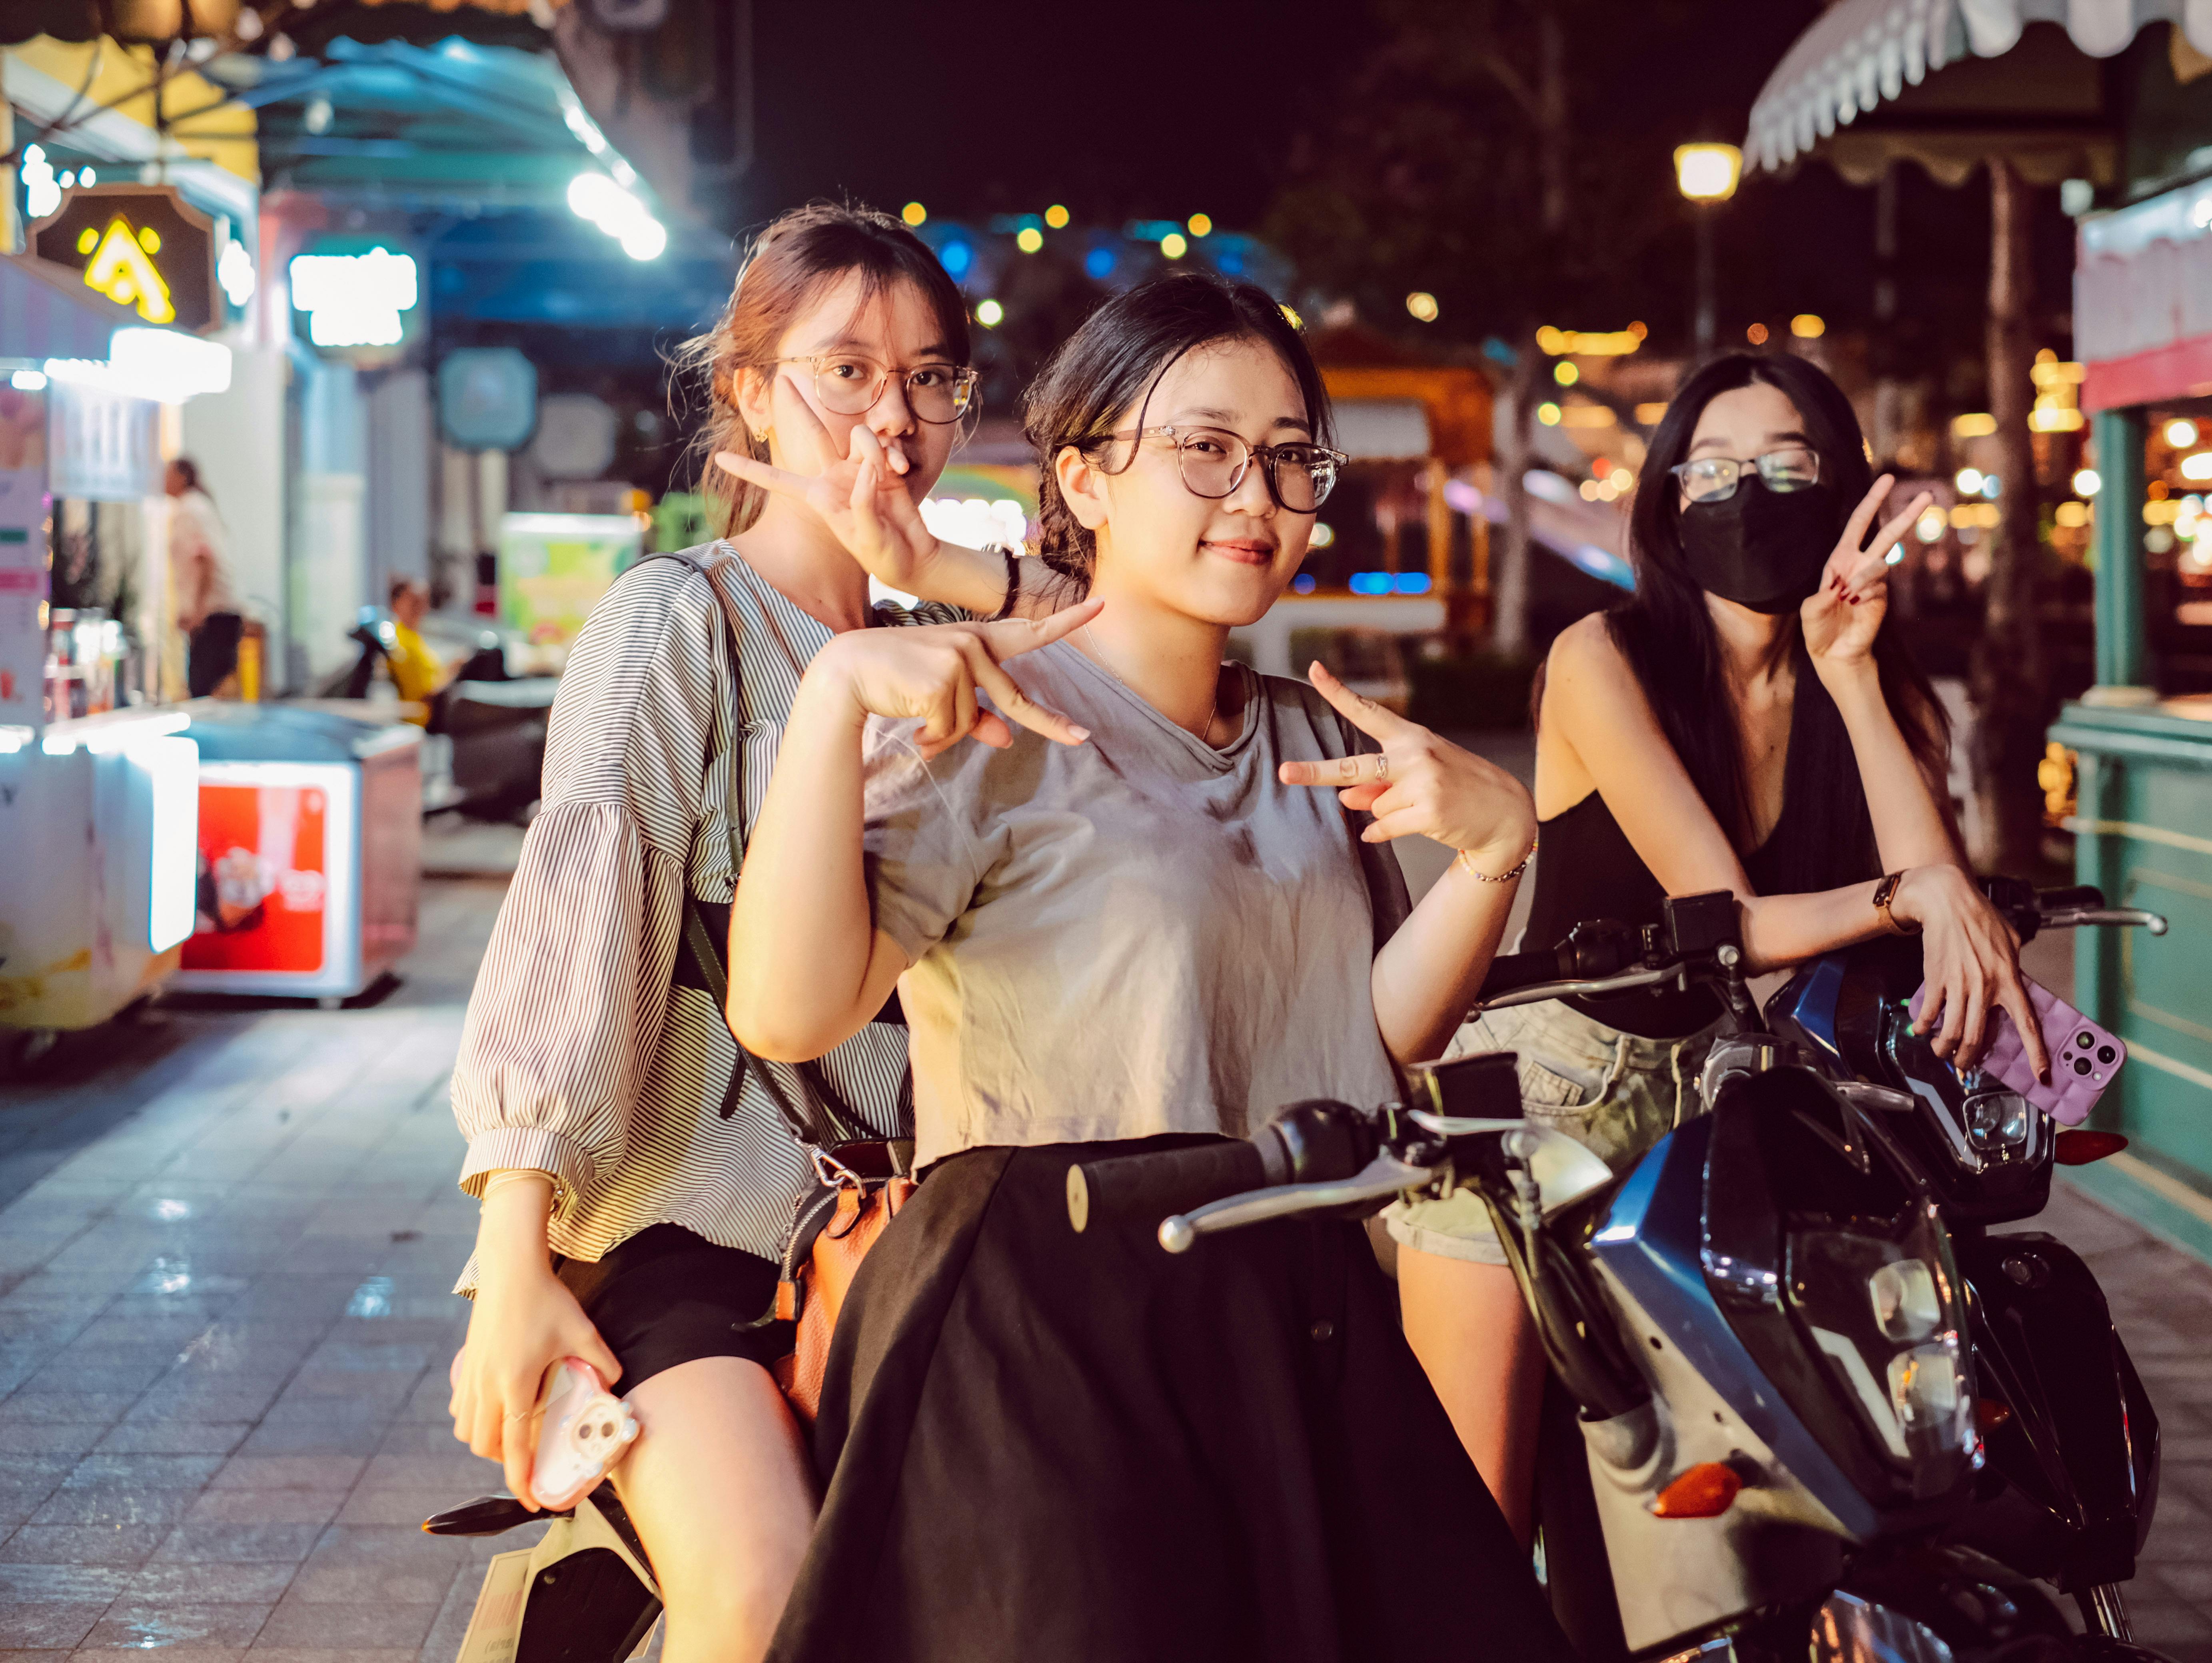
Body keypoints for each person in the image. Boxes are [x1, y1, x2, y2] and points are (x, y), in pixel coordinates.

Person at [726, 272, 1574, 1663]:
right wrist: (832, 705)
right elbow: (787, 1010)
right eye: (1205, 448)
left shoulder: (1311, 732)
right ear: (1087, 475)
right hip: (1048, 1324)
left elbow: (1370, 1038)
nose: (1257, 494)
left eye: (1291, 458)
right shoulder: (997, 718)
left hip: (1296, 1305)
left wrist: (1495, 855)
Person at [446, 201, 1009, 1663]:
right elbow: (579, 919)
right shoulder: (676, 620)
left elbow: (1150, 649)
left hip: (912, 1239)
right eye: (845, 371)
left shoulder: (962, 661)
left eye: (931, 377)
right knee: (763, 1601)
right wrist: (513, 1262)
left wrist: (945, 572)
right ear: (749, 392)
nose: (892, 416)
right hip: (681, 1234)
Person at [1386, 351, 2050, 1539]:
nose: (1751, 493)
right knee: (1472, 1514)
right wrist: (1911, 893)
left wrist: (1845, 673)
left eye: (1788, 463)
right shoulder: (1602, 657)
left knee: (1851, 1475)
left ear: (1840, 486)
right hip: (1557, 1098)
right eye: (1716, 469)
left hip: (1775, 1111)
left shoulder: (1879, 688)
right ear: (1670, 503)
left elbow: (1933, 889)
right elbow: (1726, 921)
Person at [168, 457, 240, 698]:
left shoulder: (188, 510)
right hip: (221, 614)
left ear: (182, 477)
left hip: (212, 616)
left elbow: (205, 560)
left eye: (168, 474)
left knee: (203, 698)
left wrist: (197, 611)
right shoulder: (202, 506)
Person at [384, 577, 448, 720]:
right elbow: (426, 695)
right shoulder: (398, 642)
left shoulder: (415, 638)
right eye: (414, 602)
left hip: (437, 712)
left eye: (423, 602)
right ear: (396, 605)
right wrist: (453, 671)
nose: (420, 608)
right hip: (426, 719)